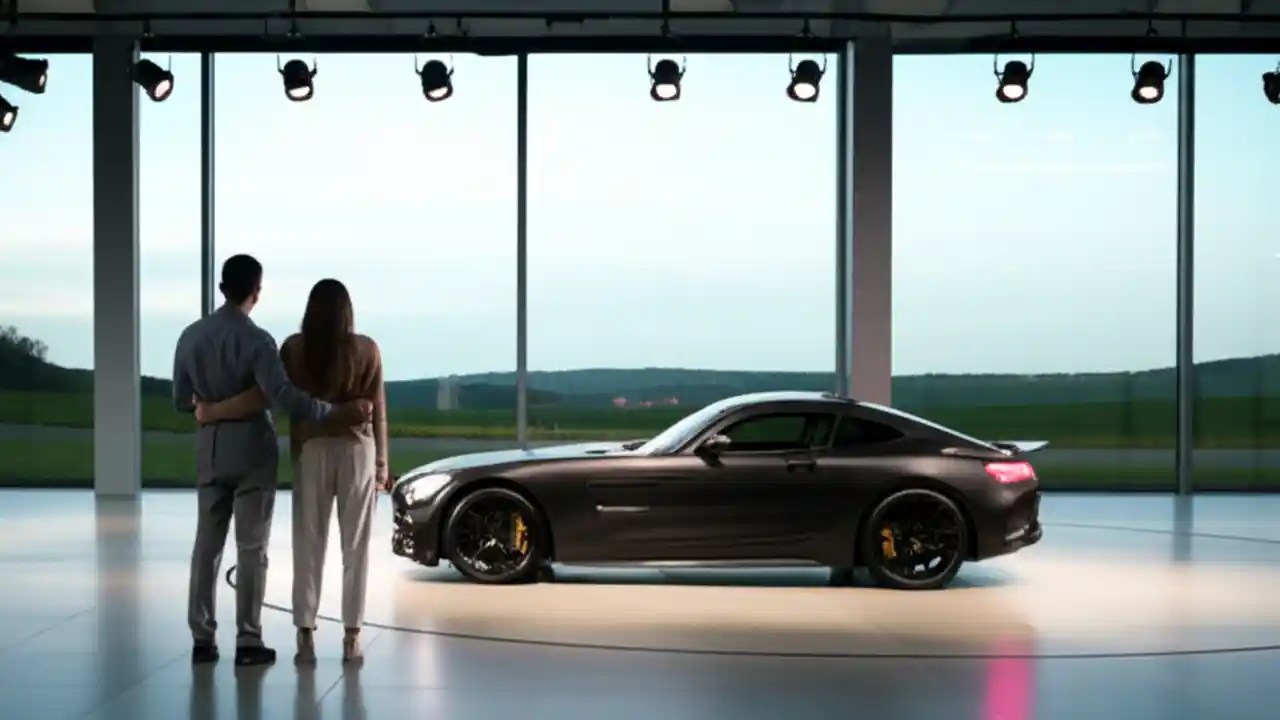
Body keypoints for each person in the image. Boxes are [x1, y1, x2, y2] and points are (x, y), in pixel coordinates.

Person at [173, 255, 372, 667]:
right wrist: (330, 412)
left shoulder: (189, 338)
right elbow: (280, 396)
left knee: (205, 546)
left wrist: (210, 411)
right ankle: (248, 639)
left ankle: (202, 639)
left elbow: (182, 401)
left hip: (210, 451)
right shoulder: (259, 341)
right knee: (251, 548)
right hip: (252, 454)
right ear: (256, 291)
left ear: (221, 287)